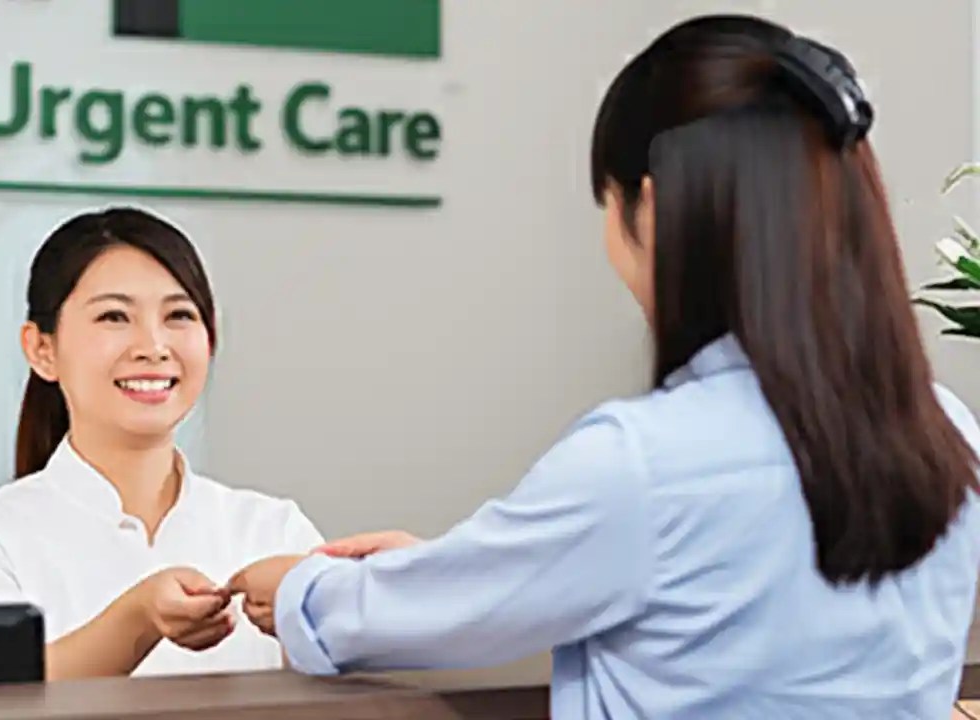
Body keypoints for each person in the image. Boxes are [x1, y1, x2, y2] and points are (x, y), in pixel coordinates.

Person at [228, 14, 980, 719]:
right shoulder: (946, 435)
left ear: (649, 209)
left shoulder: (645, 461)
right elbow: (714, 602)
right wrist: (454, 569)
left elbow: (376, 621)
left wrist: (301, 585)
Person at [0, 206, 323, 680]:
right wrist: (140, 617)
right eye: (115, 316)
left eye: (179, 315)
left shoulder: (273, 529)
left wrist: (339, 606)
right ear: (41, 350)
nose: (153, 346)